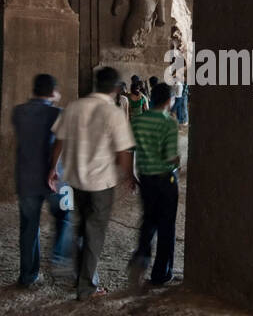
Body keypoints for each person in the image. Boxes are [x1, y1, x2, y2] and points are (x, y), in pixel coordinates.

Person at [49, 67, 136, 301]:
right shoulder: (113, 112)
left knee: (80, 228)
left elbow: (59, 140)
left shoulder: (74, 106)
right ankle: (87, 286)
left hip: (76, 180)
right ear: (116, 88)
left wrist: (52, 169)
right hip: (100, 184)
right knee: (93, 235)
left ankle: (81, 276)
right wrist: (129, 175)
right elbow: (123, 151)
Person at [12, 74, 72, 288]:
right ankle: (60, 259)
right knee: (66, 217)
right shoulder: (58, 113)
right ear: (52, 92)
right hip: (55, 178)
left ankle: (28, 275)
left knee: (29, 228)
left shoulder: (18, 112)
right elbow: (61, 142)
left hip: (26, 177)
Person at [128, 81, 181, 289]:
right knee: (167, 226)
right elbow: (169, 156)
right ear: (169, 100)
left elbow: (130, 149)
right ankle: (161, 274)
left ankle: (141, 258)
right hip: (165, 179)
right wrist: (177, 161)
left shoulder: (138, 121)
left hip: (146, 177)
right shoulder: (169, 122)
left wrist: (130, 175)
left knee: (149, 220)